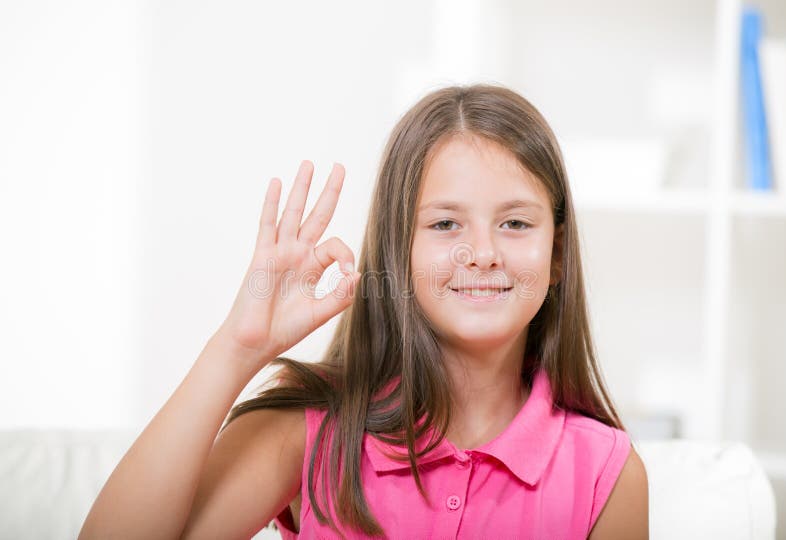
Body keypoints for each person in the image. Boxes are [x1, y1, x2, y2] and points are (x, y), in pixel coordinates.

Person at [79, 84, 648, 540]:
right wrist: (236, 350)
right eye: (445, 224)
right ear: (398, 251)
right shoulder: (310, 432)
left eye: (516, 223)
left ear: (556, 256)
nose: (483, 254)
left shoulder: (604, 471)